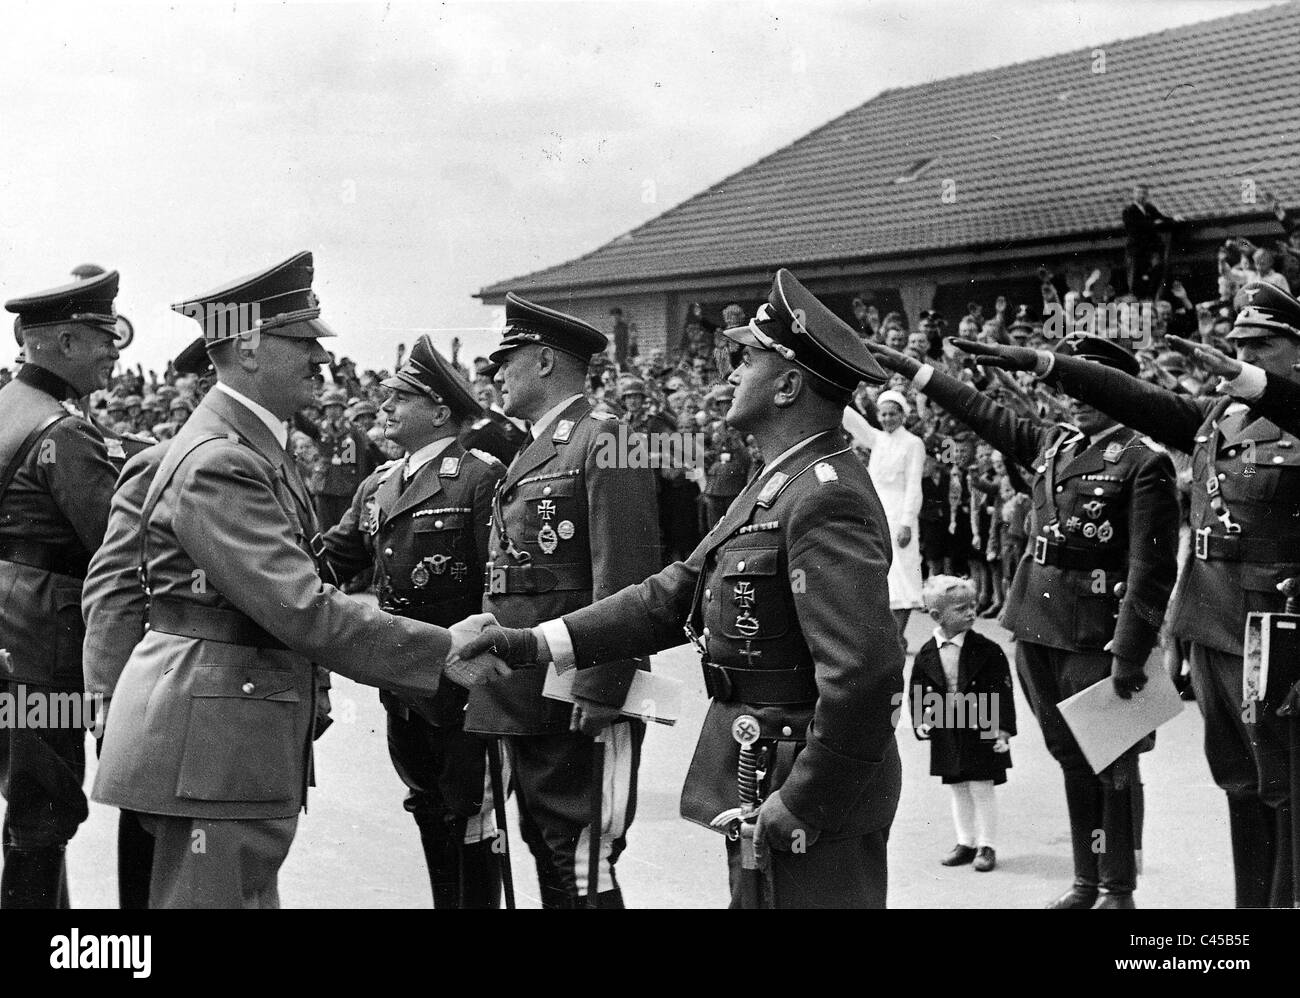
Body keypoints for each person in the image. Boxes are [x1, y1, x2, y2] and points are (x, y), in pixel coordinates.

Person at [457, 270, 903, 909]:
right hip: (760, 766)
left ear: (788, 385)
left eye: (744, 358)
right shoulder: (773, 484)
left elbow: (864, 674)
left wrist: (806, 799)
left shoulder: (823, 497)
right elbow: (666, 597)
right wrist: (530, 643)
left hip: (803, 782)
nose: (728, 374)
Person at [87, 251, 503, 908]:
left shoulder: (248, 446)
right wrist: (442, 651)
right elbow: (302, 606)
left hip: (223, 741)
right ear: (249, 348)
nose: (321, 358)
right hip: (214, 748)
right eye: (303, 340)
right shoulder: (222, 461)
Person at [955, 282, 1300, 908]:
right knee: (1241, 784)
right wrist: (1046, 364)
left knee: (1287, 790)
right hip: (1218, 627)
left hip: (1279, 634)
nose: (1240, 353)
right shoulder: (1221, 418)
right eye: (1238, 341)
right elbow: (1137, 400)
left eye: (1260, 345)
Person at [870, 334, 1179, 909]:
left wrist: (1130, 652)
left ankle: (1117, 886)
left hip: (1098, 637)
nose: (1075, 399)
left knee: (1112, 765)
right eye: (1068, 387)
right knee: (1071, 760)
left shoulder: (1143, 461)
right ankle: (1086, 881)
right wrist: (918, 372)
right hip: (1039, 630)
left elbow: (1151, 568)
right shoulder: (1056, 445)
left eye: (1089, 387)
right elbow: (982, 412)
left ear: (1121, 392)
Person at [467, 292, 661, 909]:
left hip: (576, 691)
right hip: (529, 691)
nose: (497, 374)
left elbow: (626, 577)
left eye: (509, 359)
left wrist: (603, 685)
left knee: (581, 860)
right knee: (548, 848)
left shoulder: (610, 437)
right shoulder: (531, 449)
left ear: (546, 361)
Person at [321, 336, 507, 908]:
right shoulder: (377, 484)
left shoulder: (480, 476)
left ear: (439, 412)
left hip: (465, 682)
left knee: (472, 817)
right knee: (427, 807)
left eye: (399, 398)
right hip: (404, 682)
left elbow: (499, 584)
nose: (383, 408)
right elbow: (332, 558)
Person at [0, 269, 123, 907]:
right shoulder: (65, 432)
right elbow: (113, 540)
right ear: (66, 343)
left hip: (11, 631)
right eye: (103, 337)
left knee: (26, 800)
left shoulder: (9, 406)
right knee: (44, 809)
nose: (114, 351)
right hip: (46, 645)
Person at [81, 337, 212, 909]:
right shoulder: (157, 465)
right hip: (162, 700)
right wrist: (108, 705)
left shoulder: (274, 468)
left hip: (250, 711)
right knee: (153, 862)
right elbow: (114, 589)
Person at [910, 576, 1015, 873]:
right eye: (961, 608)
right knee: (957, 786)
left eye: (972, 606)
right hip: (947, 726)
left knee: (982, 785)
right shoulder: (927, 653)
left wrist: (1003, 728)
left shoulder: (988, 649)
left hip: (982, 723)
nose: (971, 612)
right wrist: (921, 721)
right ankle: (965, 841)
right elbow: (918, 689)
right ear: (936, 616)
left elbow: (1003, 691)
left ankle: (987, 844)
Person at [842, 391, 925, 648]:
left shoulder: (913, 443)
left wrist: (907, 523)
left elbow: (914, 485)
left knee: (903, 573)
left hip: (900, 514)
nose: (888, 418)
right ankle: (887, 636)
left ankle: (898, 636)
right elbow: (854, 422)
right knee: (881, 572)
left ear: (903, 415)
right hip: (875, 511)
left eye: (893, 414)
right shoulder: (877, 440)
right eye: (884, 414)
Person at [315, 386, 376, 530]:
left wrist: (360, 487)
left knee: (345, 527)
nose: (332, 411)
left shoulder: (353, 430)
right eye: (329, 407)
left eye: (336, 407)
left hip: (347, 485)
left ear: (342, 409)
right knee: (325, 528)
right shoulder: (320, 428)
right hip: (324, 484)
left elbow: (361, 460)